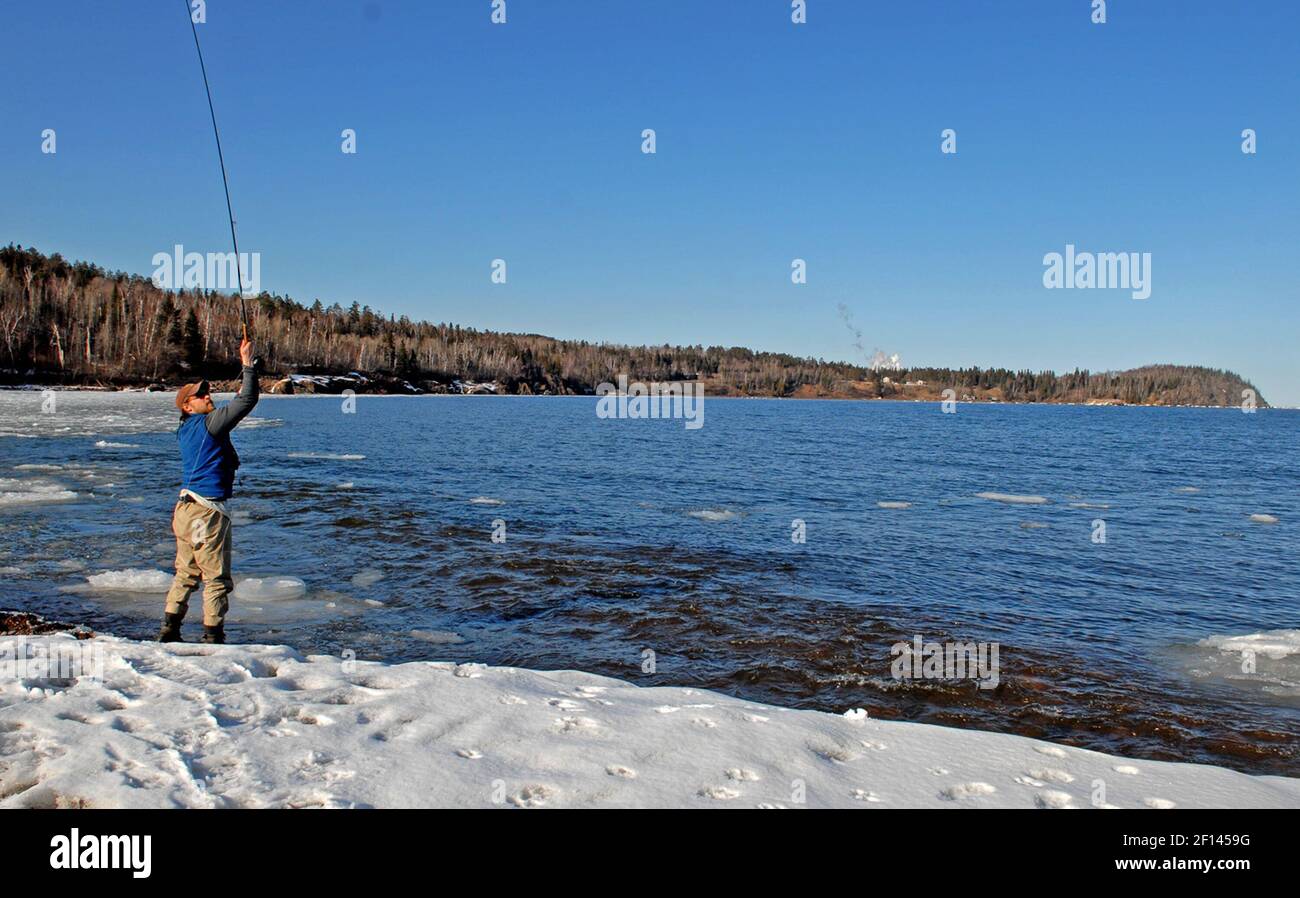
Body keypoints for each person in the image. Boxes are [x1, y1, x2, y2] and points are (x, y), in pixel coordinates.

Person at [157, 337, 258, 644]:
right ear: (188, 406)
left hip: (185, 510)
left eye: (207, 391)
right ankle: (213, 638)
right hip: (206, 514)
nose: (207, 395)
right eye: (200, 395)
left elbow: (238, 402)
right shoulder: (208, 424)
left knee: (186, 574)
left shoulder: (186, 428)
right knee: (216, 579)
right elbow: (246, 402)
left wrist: (248, 376)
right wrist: (247, 363)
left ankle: (169, 631)